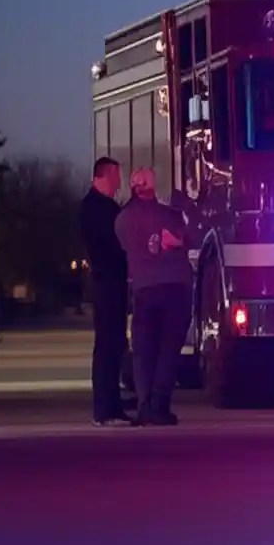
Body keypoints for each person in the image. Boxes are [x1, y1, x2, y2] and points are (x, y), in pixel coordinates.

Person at [115, 168, 192, 426]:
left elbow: (124, 249)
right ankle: (160, 405)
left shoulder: (122, 220)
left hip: (144, 289)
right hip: (175, 288)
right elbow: (190, 237)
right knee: (168, 351)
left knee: (143, 351)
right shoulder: (171, 216)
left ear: (133, 186)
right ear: (152, 185)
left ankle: (145, 403)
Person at [79, 156, 132, 426]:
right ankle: (105, 409)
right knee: (108, 345)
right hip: (106, 282)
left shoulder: (103, 207)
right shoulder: (95, 209)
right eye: (115, 177)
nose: (118, 183)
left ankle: (113, 405)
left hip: (113, 282)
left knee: (115, 343)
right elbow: (112, 245)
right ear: (103, 176)